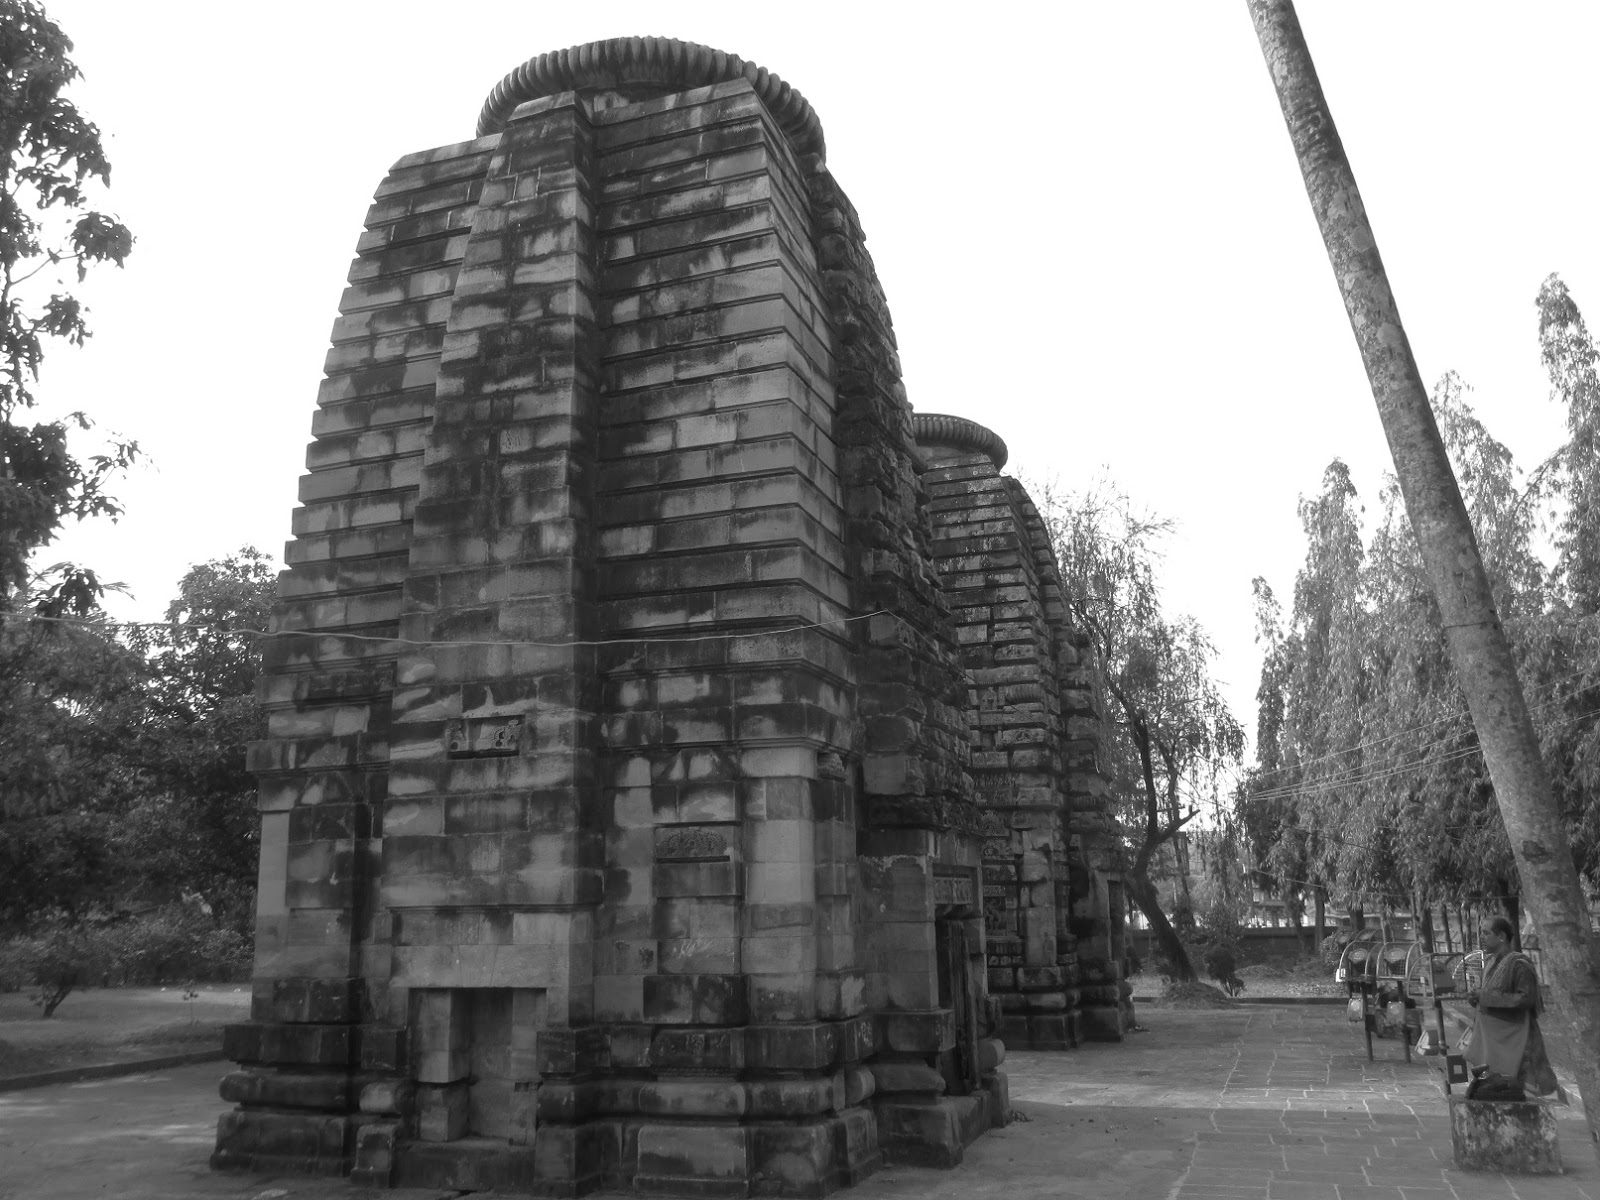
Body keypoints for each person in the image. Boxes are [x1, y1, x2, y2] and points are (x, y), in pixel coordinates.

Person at [1461, 915, 1562, 1100]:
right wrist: (1476, 998)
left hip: (1512, 1036)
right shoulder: (1490, 962)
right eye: (1481, 933)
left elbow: (1525, 999)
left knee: (1512, 1086)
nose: (1481, 937)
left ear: (1501, 936)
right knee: (1489, 1087)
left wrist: (1485, 997)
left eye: (1486, 933)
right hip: (1492, 1037)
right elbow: (1488, 996)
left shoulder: (1519, 964)